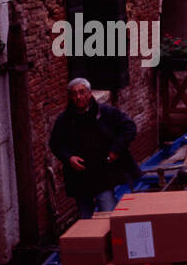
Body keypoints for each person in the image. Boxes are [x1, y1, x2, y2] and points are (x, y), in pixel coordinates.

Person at [48, 77, 139, 219]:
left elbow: (129, 128)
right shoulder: (64, 120)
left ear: (89, 93)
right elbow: (55, 143)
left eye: (82, 92)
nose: (78, 97)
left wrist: (116, 149)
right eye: (74, 94)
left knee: (108, 213)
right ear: (70, 97)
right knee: (86, 217)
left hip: (102, 173)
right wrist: (68, 158)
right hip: (80, 177)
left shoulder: (106, 113)